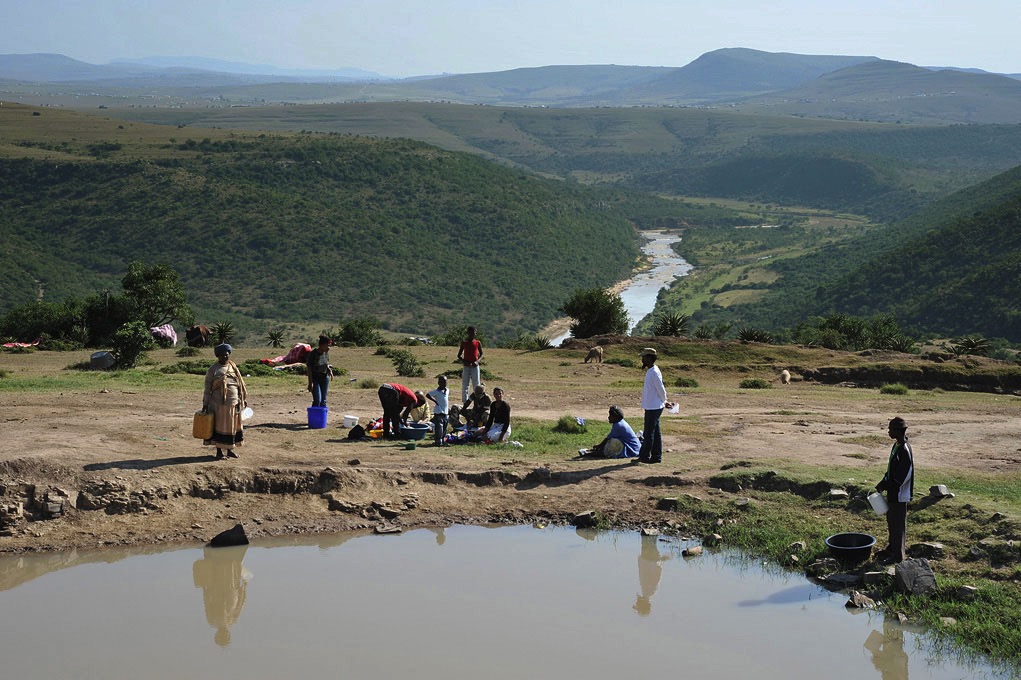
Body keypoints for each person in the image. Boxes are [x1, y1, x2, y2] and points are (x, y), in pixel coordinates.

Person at [875, 416, 914, 563]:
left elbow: (904, 475)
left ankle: (898, 556)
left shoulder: (904, 449)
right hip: (892, 492)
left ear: (898, 431)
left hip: (900, 494)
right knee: (891, 521)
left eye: (890, 429)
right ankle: (892, 548)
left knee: (898, 525)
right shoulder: (896, 446)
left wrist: (889, 485)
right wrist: (883, 481)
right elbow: (891, 469)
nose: (888, 431)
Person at [202, 343, 249, 459]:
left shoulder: (233, 367)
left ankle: (230, 450)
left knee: (232, 427)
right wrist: (205, 404)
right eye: (222, 355)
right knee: (220, 427)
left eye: (227, 354)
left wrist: (243, 399)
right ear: (218, 356)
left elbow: (240, 384)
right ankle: (219, 452)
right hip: (218, 404)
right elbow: (207, 389)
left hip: (234, 403)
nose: (225, 357)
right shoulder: (213, 370)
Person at [637, 347, 674, 464]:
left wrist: (665, 400)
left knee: (648, 433)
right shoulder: (651, 371)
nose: (642, 359)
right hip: (652, 406)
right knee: (655, 433)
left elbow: (661, 389)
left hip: (654, 407)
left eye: (644, 357)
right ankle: (656, 457)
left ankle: (644, 457)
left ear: (649, 358)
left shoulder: (654, 372)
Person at [456, 325, 484, 403]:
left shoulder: (477, 342)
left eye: (473, 332)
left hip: (475, 366)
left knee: (477, 384)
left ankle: (477, 402)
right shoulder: (464, 343)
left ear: (475, 333)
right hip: (466, 366)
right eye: (470, 332)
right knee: (465, 385)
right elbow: (459, 355)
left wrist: (477, 361)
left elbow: (482, 354)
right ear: (467, 333)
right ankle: (465, 402)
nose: (472, 334)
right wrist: (464, 361)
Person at [305, 335, 334, 408]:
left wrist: (329, 369)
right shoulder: (313, 354)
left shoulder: (326, 353)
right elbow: (309, 368)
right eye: (327, 345)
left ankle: (322, 415)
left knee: (323, 401)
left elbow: (325, 363)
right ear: (322, 345)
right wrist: (310, 383)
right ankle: (314, 414)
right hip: (315, 379)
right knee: (317, 400)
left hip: (324, 378)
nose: (329, 348)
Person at [426, 375, 451, 446]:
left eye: (445, 382)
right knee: (439, 428)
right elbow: (428, 395)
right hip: (438, 412)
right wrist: (434, 401)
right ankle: (438, 441)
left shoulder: (447, 390)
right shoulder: (436, 391)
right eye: (442, 382)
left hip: (445, 412)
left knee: (445, 428)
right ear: (439, 383)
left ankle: (443, 440)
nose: (444, 384)